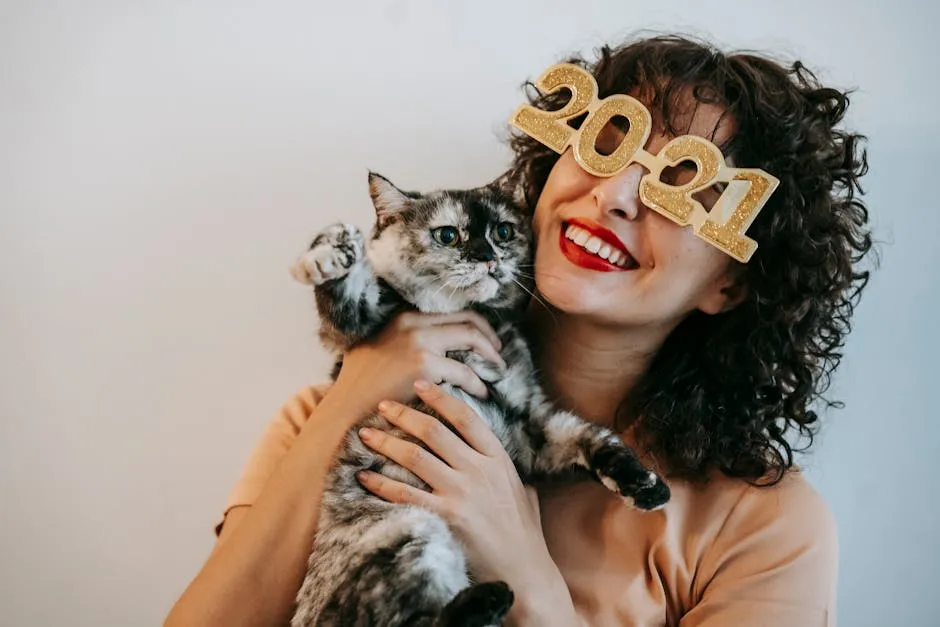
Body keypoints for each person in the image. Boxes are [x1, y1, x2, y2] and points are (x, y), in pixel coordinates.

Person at [164, 34, 872, 627]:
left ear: (733, 282)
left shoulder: (763, 525)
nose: (614, 195)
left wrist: (527, 576)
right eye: (605, 142)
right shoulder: (325, 418)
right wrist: (352, 395)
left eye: (681, 186)